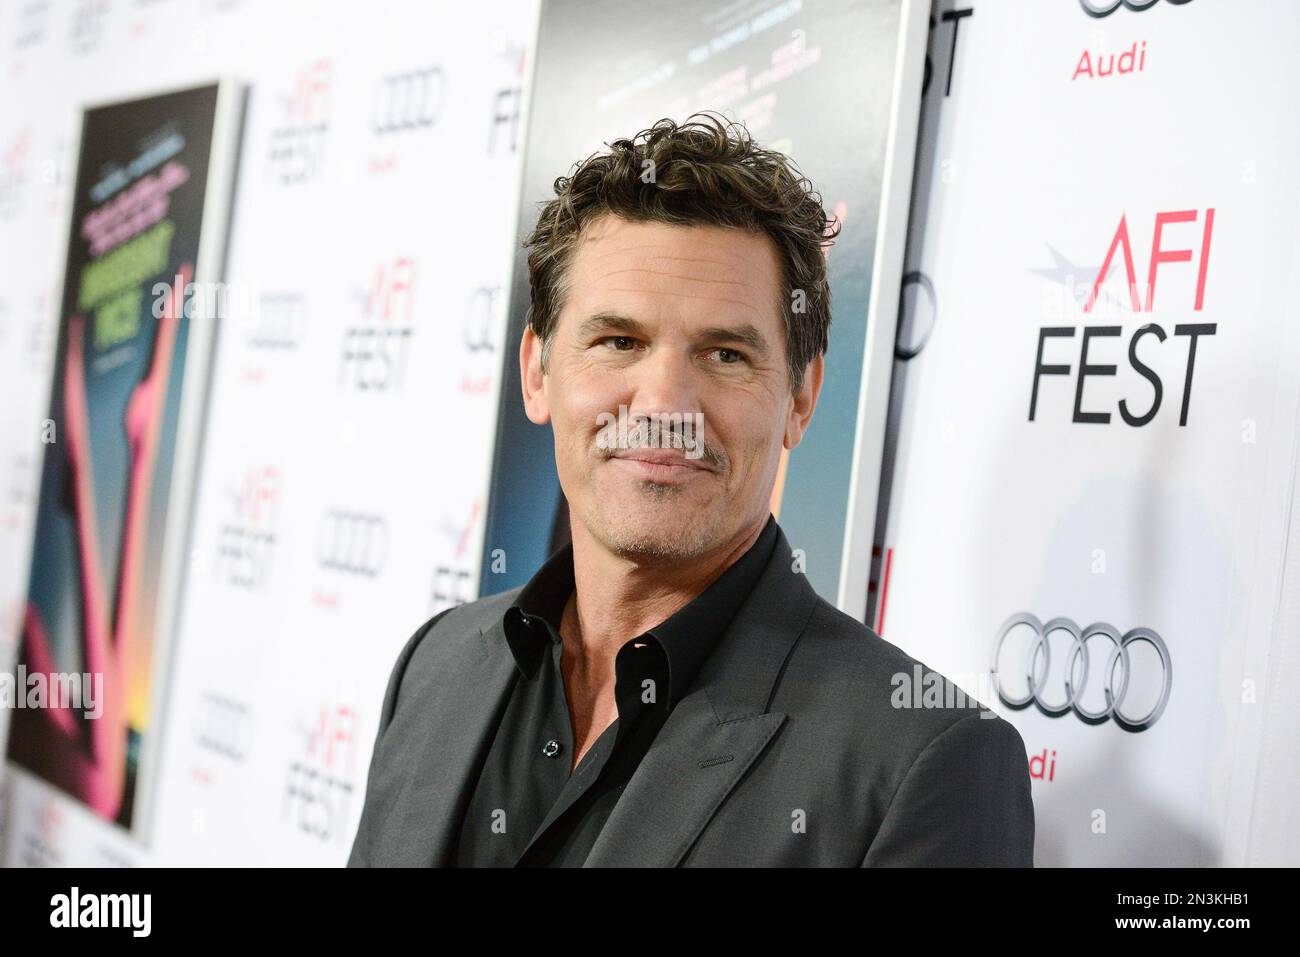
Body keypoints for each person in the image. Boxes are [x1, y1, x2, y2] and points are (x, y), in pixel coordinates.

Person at [348, 114, 1034, 867]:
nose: (664, 406)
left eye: (725, 353)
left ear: (801, 397)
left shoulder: (917, 765)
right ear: (537, 371)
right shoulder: (436, 663)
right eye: (619, 341)